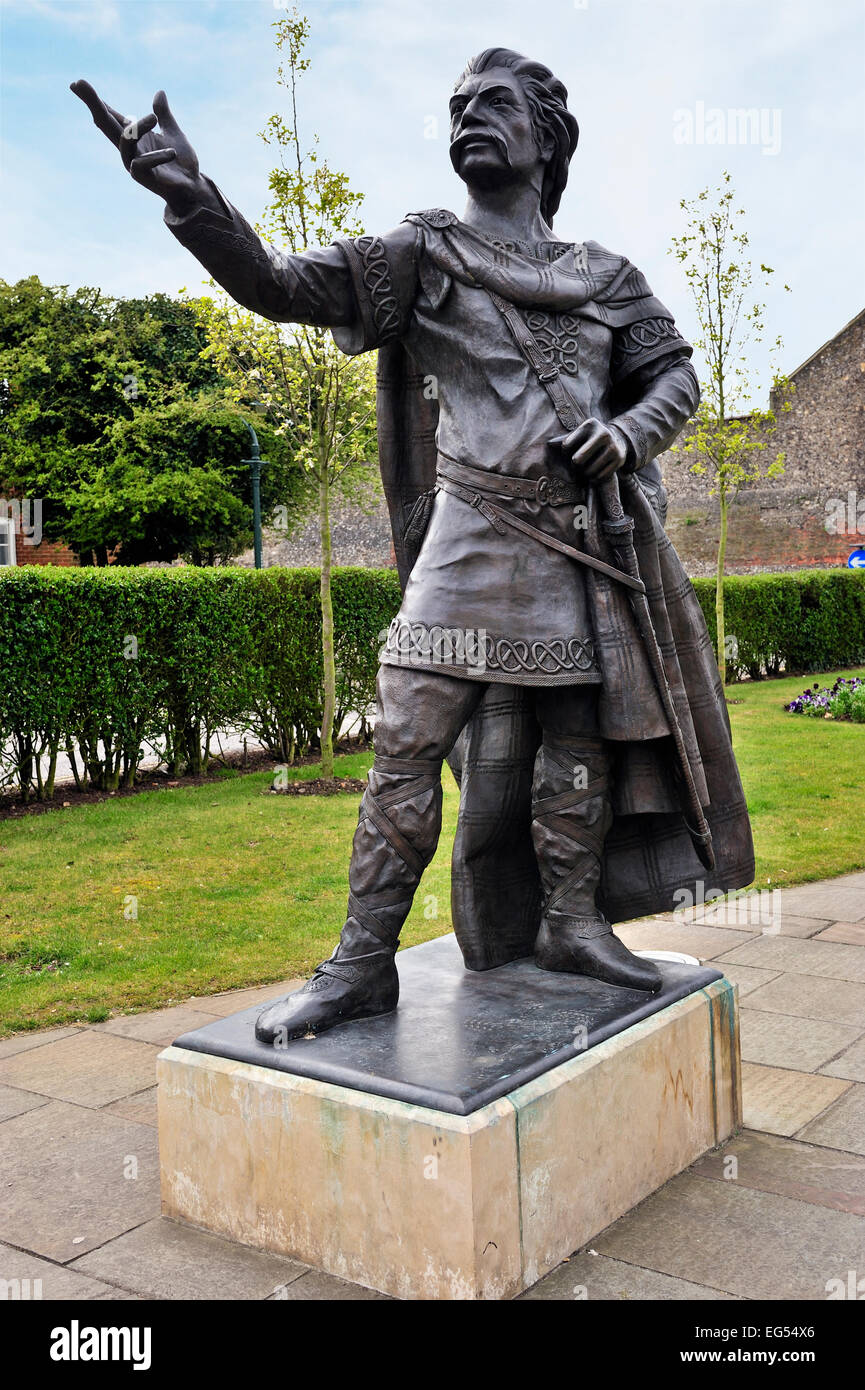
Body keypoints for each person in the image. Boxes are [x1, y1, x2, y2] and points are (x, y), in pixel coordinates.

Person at [72, 47, 754, 1043]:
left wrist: (628, 432)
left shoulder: (608, 277)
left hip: (579, 548)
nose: (469, 117)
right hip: (469, 540)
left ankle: (569, 921)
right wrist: (191, 199)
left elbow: (675, 380)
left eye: (494, 104)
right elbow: (276, 284)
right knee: (403, 746)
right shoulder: (421, 253)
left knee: (579, 741)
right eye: (458, 106)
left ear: (546, 138)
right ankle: (359, 964)